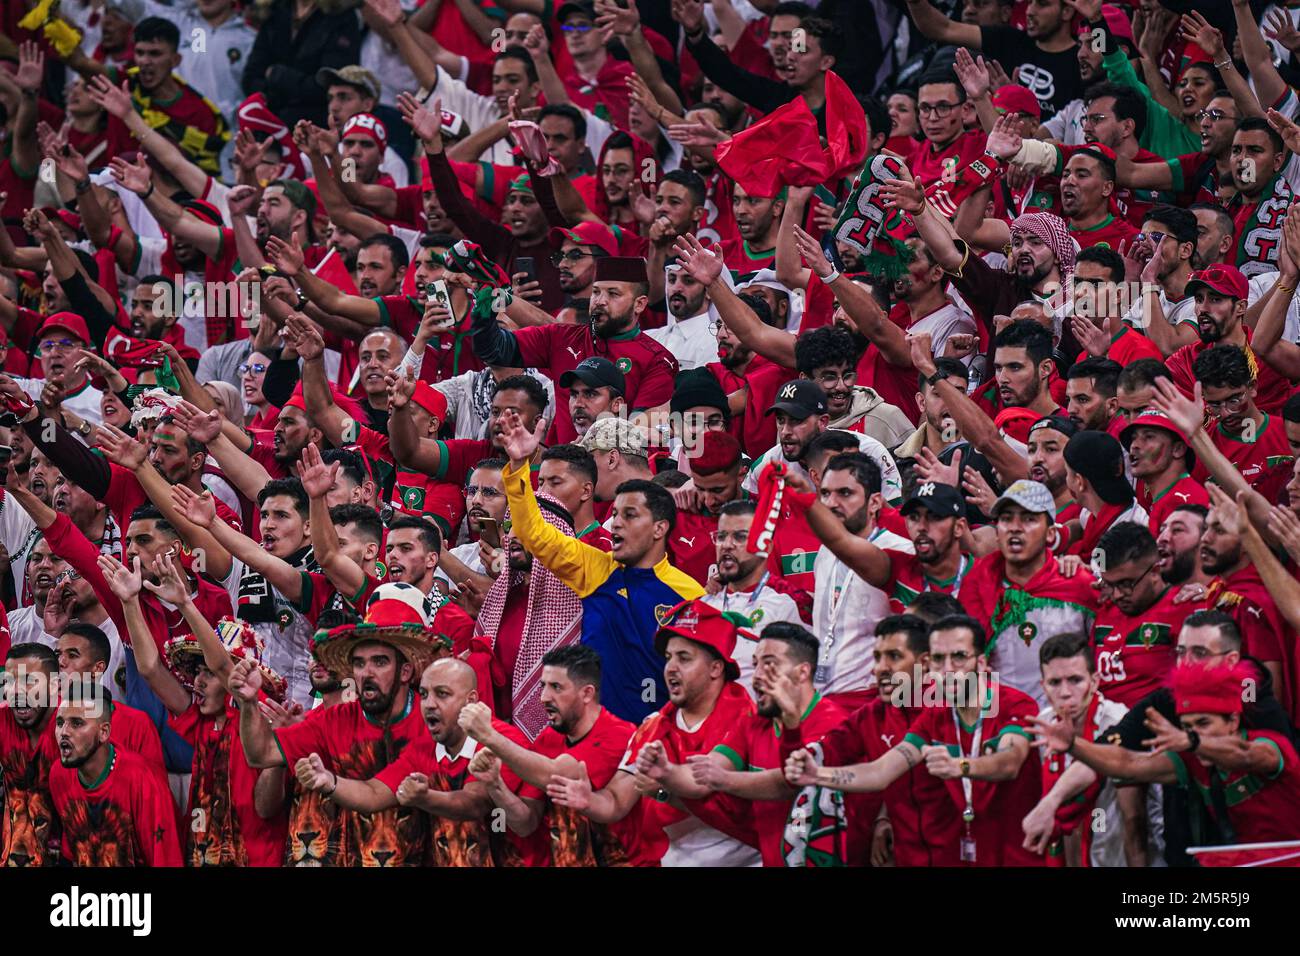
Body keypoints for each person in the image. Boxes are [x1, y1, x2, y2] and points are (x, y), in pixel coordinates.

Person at [784, 614, 1044, 866]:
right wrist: (817, 774)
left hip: (1019, 857)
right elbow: (881, 772)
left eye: (960, 658)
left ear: (982, 663)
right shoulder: (935, 717)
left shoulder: (1012, 703)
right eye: (940, 660)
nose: (948, 669)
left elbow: (1010, 762)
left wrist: (961, 766)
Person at [496, 407, 702, 722]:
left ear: (660, 528)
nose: (616, 524)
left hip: (658, 737)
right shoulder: (595, 568)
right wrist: (519, 466)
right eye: (615, 514)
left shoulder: (690, 594)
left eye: (630, 515)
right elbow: (533, 533)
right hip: (594, 736)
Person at [232, 584, 445, 867]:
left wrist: (330, 781)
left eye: (379, 662)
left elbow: (373, 794)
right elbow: (260, 753)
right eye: (359, 663)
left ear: (406, 670)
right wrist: (247, 704)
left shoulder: (433, 722)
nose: (367, 673)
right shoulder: (334, 720)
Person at [545, 599, 761, 866]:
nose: (670, 667)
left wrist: (664, 781)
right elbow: (615, 802)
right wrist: (588, 800)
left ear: (716, 668)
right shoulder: (654, 725)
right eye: (669, 657)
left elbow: (703, 784)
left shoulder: (746, 718)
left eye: (684, 658)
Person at [458, 644, 649, 866]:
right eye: (543, 686)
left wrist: (490, 736)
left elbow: (556, 774)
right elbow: (525, 823)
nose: (544, 698)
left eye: (556, 687)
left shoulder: (619, 735)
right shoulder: (549, 738)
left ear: (587, 693)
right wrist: (495, 785)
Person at [962, 480, 1097, 707]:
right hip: (1001, 727)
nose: (1015, 527)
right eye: (1006, 519)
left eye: (1029, 519)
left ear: (1051, 535)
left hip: (1066, 724)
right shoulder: (976, 585)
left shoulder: (1079, 584)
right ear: (997, 533)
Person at [1023, 632, 1146, 867]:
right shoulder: (1045, 723)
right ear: (1043, 686)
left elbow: (1135, 821)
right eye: (1054, 682)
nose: (1065, 692)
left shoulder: (1117, 720)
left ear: (1095, 681)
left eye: (1075, 680)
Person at [47, 681, 184, 866]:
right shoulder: (58, 775)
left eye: (77, 724)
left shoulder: (142, 780)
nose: (64, 732)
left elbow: (166, 861)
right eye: (60, 723)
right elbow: (72, 853)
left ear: (104, 732)